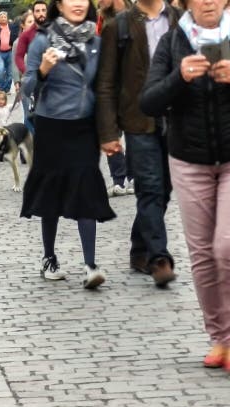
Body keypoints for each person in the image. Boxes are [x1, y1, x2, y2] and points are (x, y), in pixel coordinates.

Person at [140, 0, 230, 369]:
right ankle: (220, 339)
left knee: (226, 245)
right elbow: (148, 101)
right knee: (203, 256)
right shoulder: (174, 40)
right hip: (189, 159)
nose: (208, 0)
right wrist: (180, 77)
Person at [21, 0, 115, 287]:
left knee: (86, 189)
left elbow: (103, 87)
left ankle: (90, 265)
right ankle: (49, 258)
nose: (78, 3)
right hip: (52, 125)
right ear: (59, 6)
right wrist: (43, 70)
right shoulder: (42, 40)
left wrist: (109, 130)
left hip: (84, 126)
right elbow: (27, 86)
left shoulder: (96, 42)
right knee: (51, 191)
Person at [96, 0, 181, 287]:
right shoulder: (118, 26)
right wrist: (108, 132)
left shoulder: (180, 19)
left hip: (176, 118)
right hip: (138, 119)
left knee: (164, 189)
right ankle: (159, 258)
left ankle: (139, 248)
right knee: (150, 187)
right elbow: (106, 83)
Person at [95, 0, 133, 198]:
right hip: (109, 87)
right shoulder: (101, 20)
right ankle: (119, 179)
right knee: (110, 134)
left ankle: (134, 177)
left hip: (132, 85)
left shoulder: (135, 17)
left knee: (135, 133)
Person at [14, 0, 48, 131]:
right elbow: (18, 56)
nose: (41, 13)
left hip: (54, 81)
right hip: (34, 81)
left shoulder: (55, 31)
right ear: (33, 13)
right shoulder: (26, 35)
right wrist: (27, 71)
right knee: (32, 115)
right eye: (37, 11)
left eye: (43, 10)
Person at [0, 11, 20, 92]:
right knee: (0, 71)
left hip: (10, 52)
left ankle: (7, 88)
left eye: (5, 17)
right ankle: (2, 87)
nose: (3, 18)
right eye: (1, 17)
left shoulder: (11, 27)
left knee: (10, 72)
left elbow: (16, 36)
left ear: (7, 18)